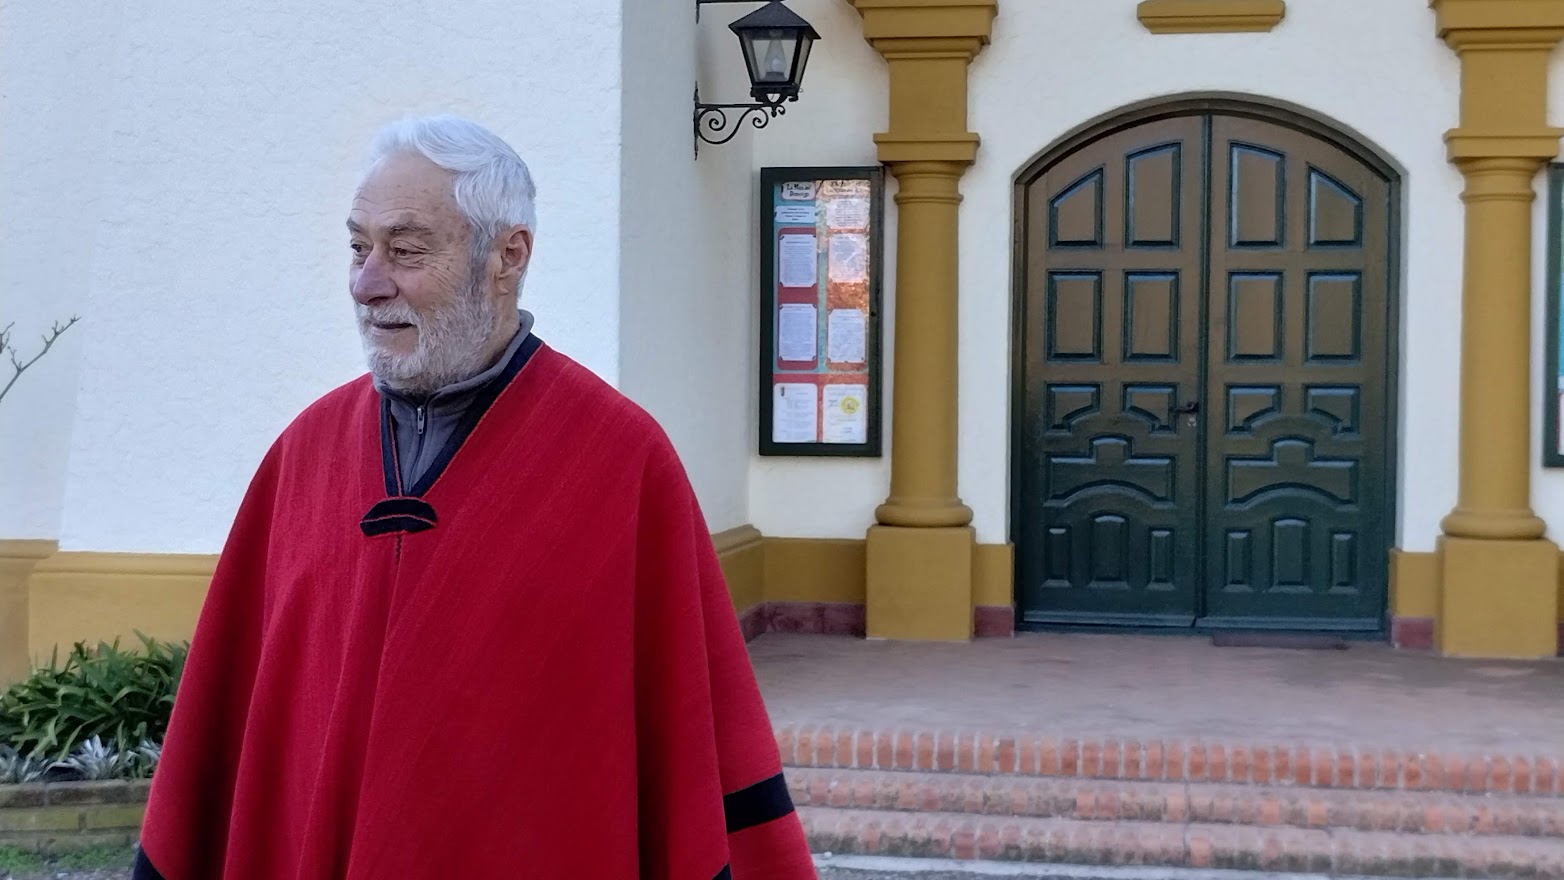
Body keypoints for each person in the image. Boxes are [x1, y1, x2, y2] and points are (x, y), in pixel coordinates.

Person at [133, 115, 816, 879]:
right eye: (358, 247)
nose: (367, 282)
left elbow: (693, 742)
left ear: (507, 255)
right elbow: (226, 740)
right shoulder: (304, 456)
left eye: (406, 249)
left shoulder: (621, 463)